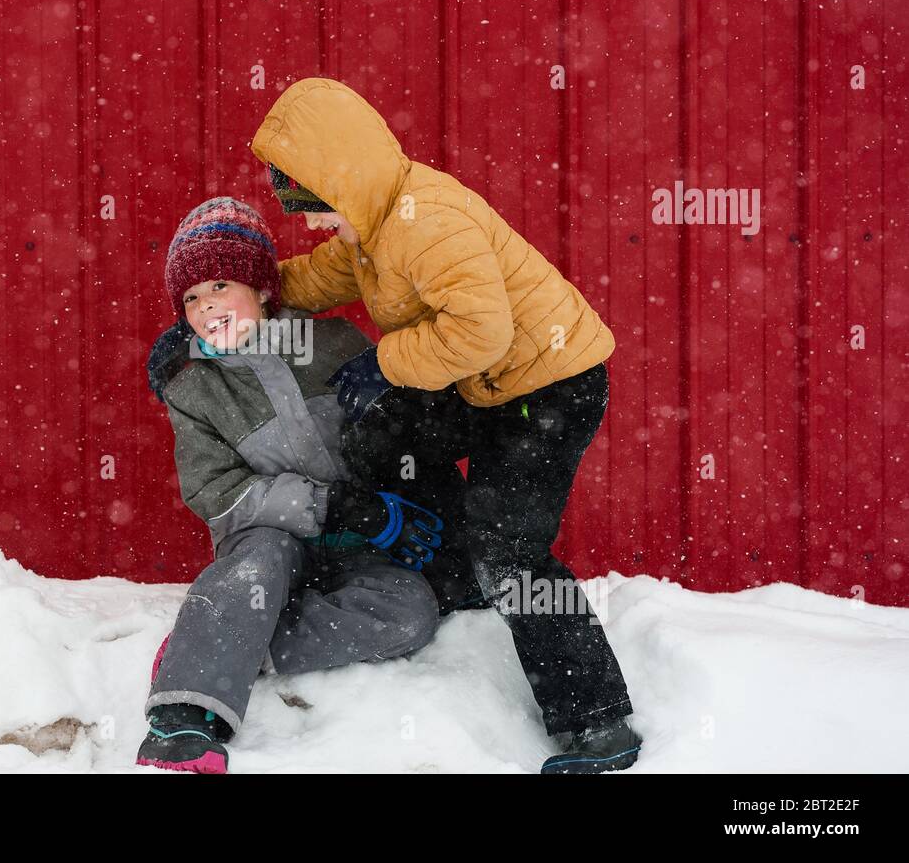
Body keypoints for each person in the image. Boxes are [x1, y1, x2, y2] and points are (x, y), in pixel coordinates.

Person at [150, 77, 641, 774]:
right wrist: (212, 317)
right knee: (389, 431)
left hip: (548, 388)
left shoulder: (426, 221)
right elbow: (308, 278)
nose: (317, 225)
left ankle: (598, 720)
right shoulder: (371, 229)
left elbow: (482, 329)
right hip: (487, 383)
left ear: (343, 183)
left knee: (510, 545)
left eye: (319, 209)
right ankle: (442, 563)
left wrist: (385, 359)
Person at [138, 196, 447, 774]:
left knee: (410, 611)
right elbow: (216, 491)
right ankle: (182, 717)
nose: (207, 307)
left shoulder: (334, 345)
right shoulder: (196, 390)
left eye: (220, 286)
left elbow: (396, 433)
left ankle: (233, 643)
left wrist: (388, 507)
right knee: (257, 566)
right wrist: (323, 505)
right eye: (191, 298)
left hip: (360, 542)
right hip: (267, 536)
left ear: (261, 290)